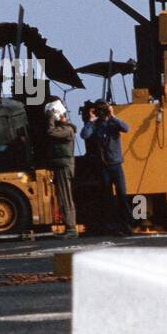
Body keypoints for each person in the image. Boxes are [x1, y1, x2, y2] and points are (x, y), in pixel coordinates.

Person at [80, 99, 132, 234]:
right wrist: (91, 120)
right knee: (107, 197)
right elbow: (84, 135)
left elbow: (126, 128)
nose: (102, 113)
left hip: (116, 164)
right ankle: (112, 226)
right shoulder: (95, 125)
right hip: (104, 166)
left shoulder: (112, 123)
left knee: (122, 194)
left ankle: (126, 223)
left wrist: (113, 116)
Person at [41, 99, 78, 238]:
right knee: (63, 197)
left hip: (64, 166)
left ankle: (71, 228)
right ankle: (69, 227)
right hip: (61, 165)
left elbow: (50, 132)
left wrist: (50, 118)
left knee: (65, 197)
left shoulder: (66, 130)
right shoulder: (64, 129)